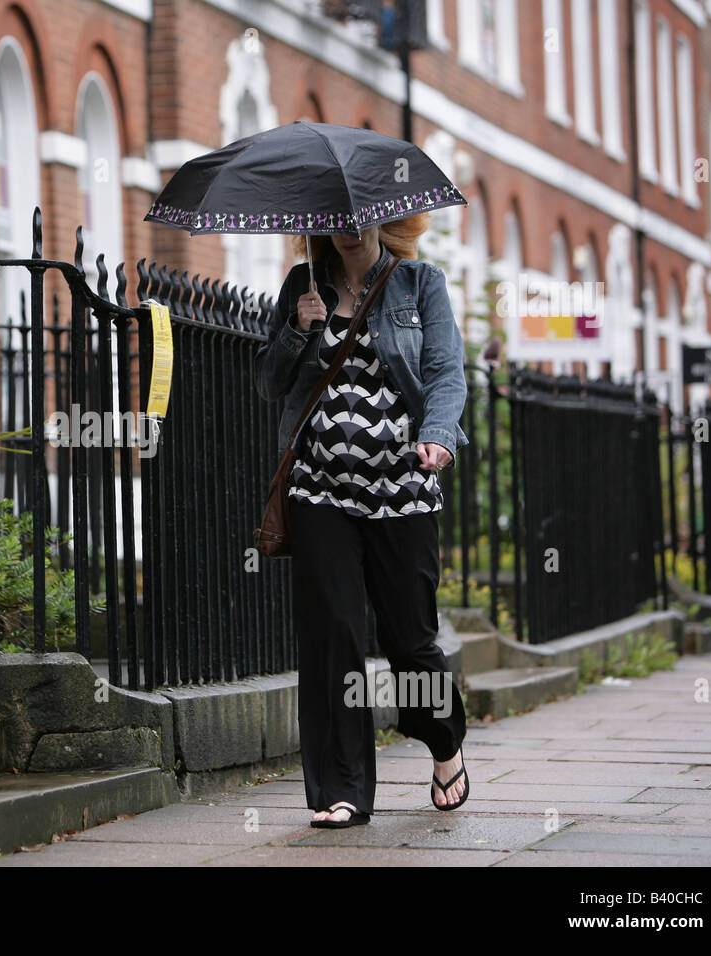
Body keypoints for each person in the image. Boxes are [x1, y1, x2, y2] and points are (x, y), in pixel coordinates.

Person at [252, 214, 471, 828]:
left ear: (385, 218)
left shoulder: (419, 283)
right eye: (332, 218)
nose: (346, 228)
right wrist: (300, 331)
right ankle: (340, 791)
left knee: (408, 639)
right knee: (331, 639)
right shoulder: (304, 284)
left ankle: (444, 739)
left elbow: (445, 372)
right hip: (321, 491)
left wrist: (438, 438)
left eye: (358, 215)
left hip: (402, 489)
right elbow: (269, 384)